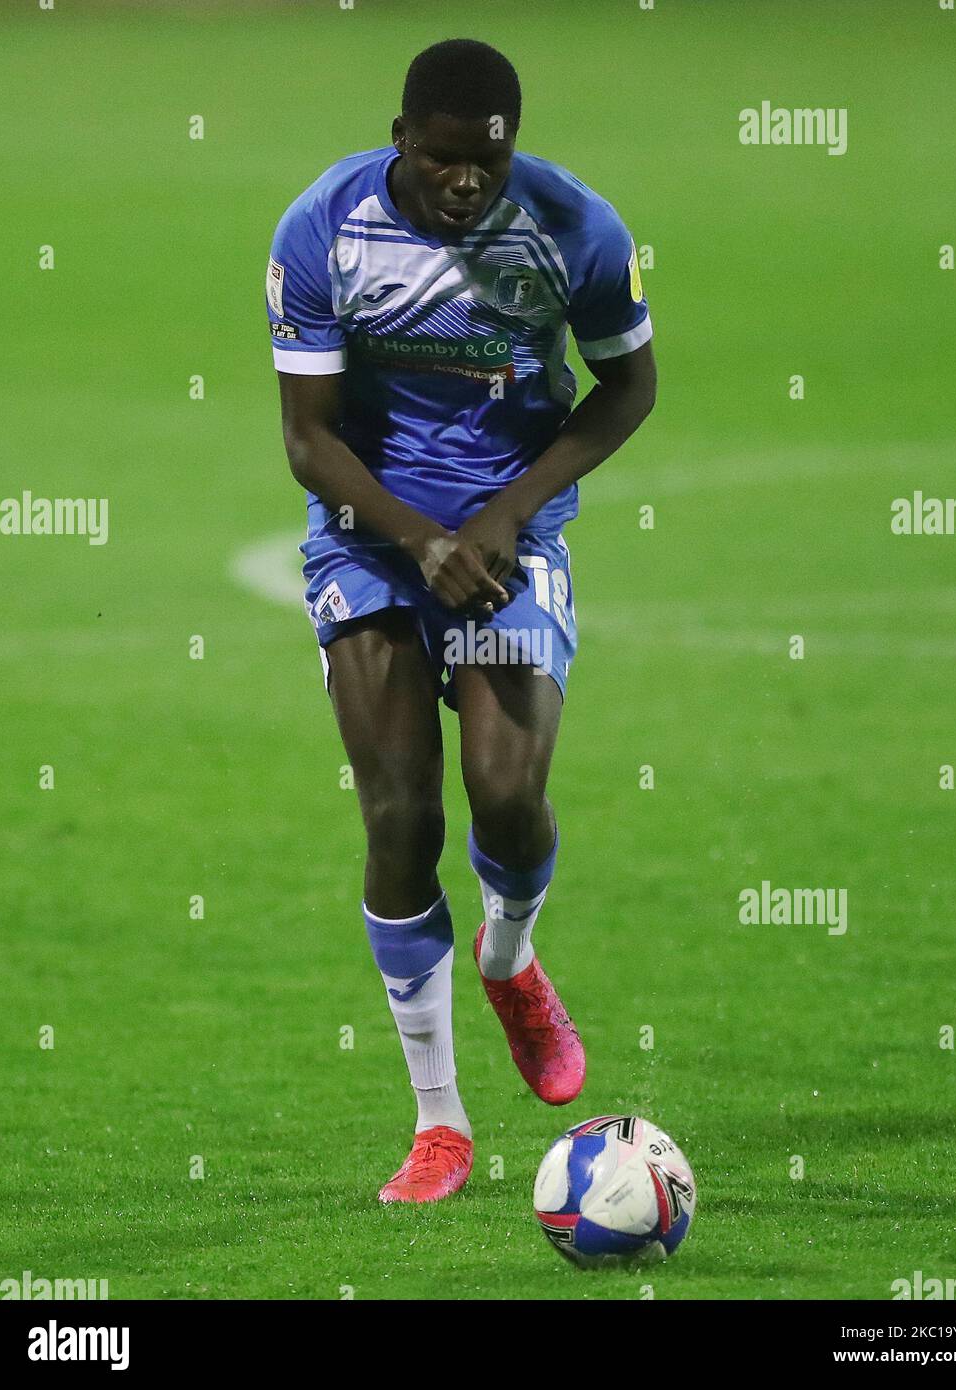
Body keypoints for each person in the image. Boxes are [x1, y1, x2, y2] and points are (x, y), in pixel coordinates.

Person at [267, 38, 655, 1203]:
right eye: (440, 160)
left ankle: (511, 956)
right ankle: (439, 1124)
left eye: (484, 163)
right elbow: (307, 439)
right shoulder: (322, 229)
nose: (464, 184)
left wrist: (503, 514)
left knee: (507, 793)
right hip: (369, 538)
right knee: (397, 810)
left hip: (506, 546)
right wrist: (416, 540)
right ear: (401, 139)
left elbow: (626, 385)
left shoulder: (574, 228)